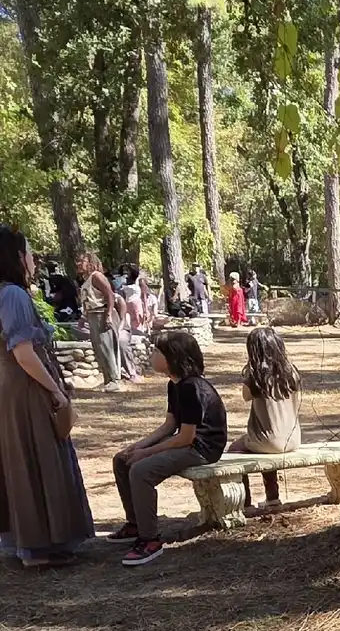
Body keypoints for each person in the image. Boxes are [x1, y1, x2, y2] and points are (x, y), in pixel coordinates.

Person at [0, 227, 94, 567]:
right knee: (37, 458)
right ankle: (39, 546)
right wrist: (55, 391)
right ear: (14, 257)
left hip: (12, 387)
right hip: (25, 389)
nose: (32, 260)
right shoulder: (12, 295)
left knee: (24, 460)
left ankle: (37, 542)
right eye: (27, 252)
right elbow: (24, 352)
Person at [109, 331, 227, 566]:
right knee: (122, 460)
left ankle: (150, 540)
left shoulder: (191, 387)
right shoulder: (175, 385)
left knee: (141, 471)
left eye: (157, 352)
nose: (152, 356)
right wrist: (137, 446)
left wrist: (147, 453)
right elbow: (169, 425)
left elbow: (185, 437)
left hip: (202, 448)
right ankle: (135, 524)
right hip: (187, 441)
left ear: (173, 358)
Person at [226, 326, 301, 507]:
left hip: (267, 440)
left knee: (234, 450)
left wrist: (250, 373)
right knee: (266, 444)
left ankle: (245, 501)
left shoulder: (256, 376)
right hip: (293, 438)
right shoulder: (292, 372)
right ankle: (272, 496)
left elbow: (245, 396)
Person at [76, 251, 123, 390]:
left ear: (90, 262)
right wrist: (83, 317)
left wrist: (108, 314)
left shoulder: (97, 276)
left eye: (81, 261)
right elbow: (88, 300)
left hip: (101, 313)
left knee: (106, 345)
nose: (78, 264)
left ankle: (114, 379)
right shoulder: (87, 279)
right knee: (99, 347)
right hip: (92, 314)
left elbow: (109, 294)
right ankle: (108, 379)